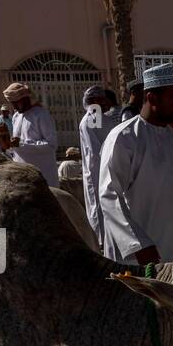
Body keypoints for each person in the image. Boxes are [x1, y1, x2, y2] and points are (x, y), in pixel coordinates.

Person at [98, 63, 173, 269]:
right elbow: (110, 196)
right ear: (151, 97)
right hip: (139, 255)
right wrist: (137, 244)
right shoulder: (123, 138)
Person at [77, 85, 118, 245]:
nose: (105, 102)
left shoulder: (103, 119)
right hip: (97, 172)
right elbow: (94, 152)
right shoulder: (89, 121)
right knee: (97, 206)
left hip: (110, 168)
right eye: (101, 99)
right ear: (93, 101)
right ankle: (100, 241)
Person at [3, 82, 58, 185]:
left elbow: (52, 144)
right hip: (22, 175)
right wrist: (8, 145)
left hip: (43, 175)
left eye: (16, 103)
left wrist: (22, 144)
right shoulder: (16, 117)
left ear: (25, 99)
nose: (14, 107)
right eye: (12, 103)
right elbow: (17, 147)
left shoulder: (41, 115)